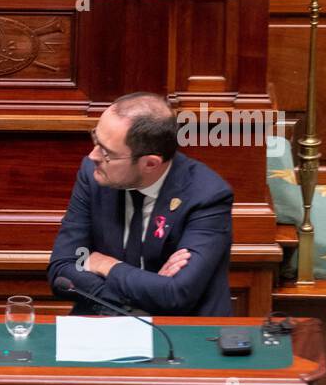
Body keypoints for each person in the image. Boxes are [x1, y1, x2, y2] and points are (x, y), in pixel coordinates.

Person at [47, 92, 234, 316]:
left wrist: (107, 266)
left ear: (150, 163)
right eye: (96, 139)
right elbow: (61, 270)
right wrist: (147, 292)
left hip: (182, 331)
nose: (92, 155)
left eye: (107, 152)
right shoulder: (93, 174)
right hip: (104, 323)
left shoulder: (207, 195)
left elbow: (177, 294)